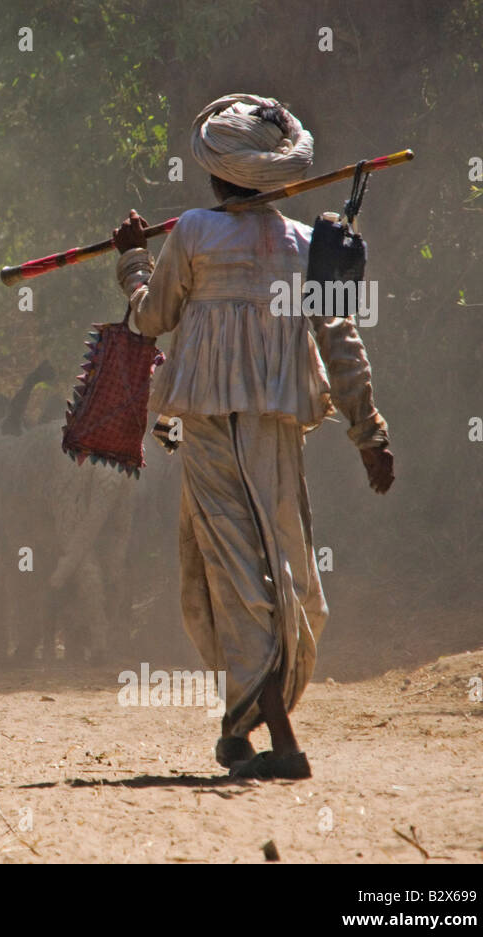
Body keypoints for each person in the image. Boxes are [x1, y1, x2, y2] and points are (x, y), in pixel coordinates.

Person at [110, 93, 394, 779]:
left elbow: (151, 322)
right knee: (274, 571)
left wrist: (131, 263)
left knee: (235, 578)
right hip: (276, 431)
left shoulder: (195, 235)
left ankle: (286, 746)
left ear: (215, 174)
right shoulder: (304, 245)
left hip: (209, 427)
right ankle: (239, 729)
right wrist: (369, 431)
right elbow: (341, 340)